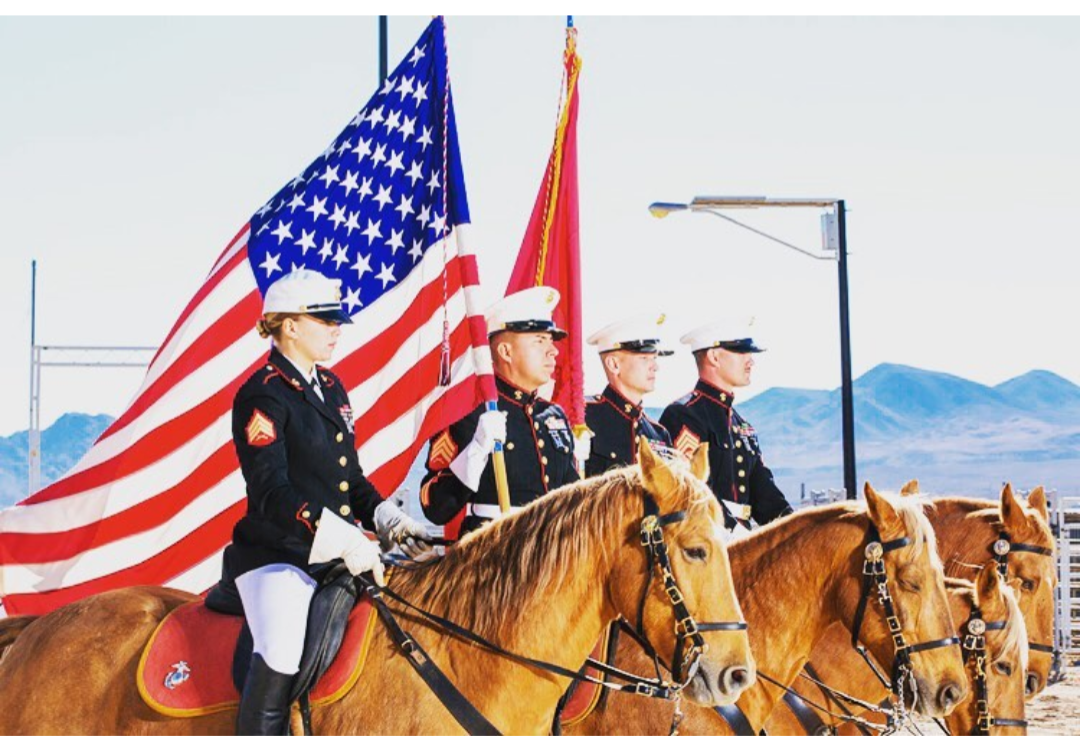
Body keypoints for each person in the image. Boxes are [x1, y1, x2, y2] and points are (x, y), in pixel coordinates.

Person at [220, 269, 433, 735]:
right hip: (278, 556)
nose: (336, 329)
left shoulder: (331, 387)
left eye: (336, 321)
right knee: (281, 646)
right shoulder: (262, 394)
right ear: (289, 326)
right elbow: (271, 492)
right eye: (324, 320)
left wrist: (386, 516)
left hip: (334, 555)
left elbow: (348, 479)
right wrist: (339, 536)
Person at [419, 286, 581, 535]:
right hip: (491, 555)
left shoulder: (554, 417)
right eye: (539, 341)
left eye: (551, 341)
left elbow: (575, 503)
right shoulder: (468, 411)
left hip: (551, 556)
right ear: (505, 351)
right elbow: (434, 506)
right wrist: (476, 450)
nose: (553, 351)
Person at [659, 318, 793, 536]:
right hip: (705, 547)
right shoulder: (684, 415)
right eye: (741, 352)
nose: (751, 362)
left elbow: (766, 498)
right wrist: (735, 534)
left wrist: (798, 529)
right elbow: (694, 492)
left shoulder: (743, 427)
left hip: (740, 543)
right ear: (714, 357)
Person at [583, 314, 674, 477]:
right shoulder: (584, 416)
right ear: (614, 364)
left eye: (654, 358)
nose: (655, 366)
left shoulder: (659, 433)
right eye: (645, 358)